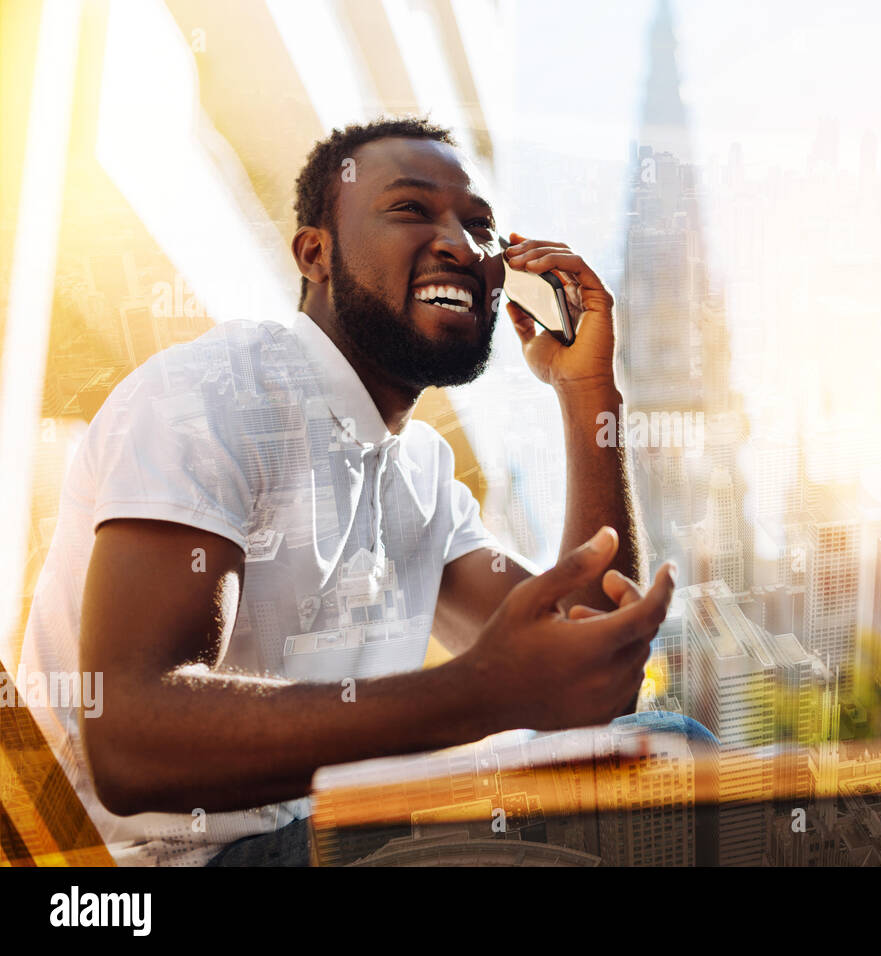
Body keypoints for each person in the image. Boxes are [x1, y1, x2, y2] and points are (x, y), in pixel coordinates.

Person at [18, 117, 696, 866]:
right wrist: (479, 694)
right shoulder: (214, 392)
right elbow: (132, 740)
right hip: (157, 868)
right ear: (316, 253)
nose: (461, 245)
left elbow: (592, 683)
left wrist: (590, 392)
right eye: (411, 209)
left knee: (663, 758)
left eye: (480, 227)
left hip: (321, 841)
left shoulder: (422, 473)